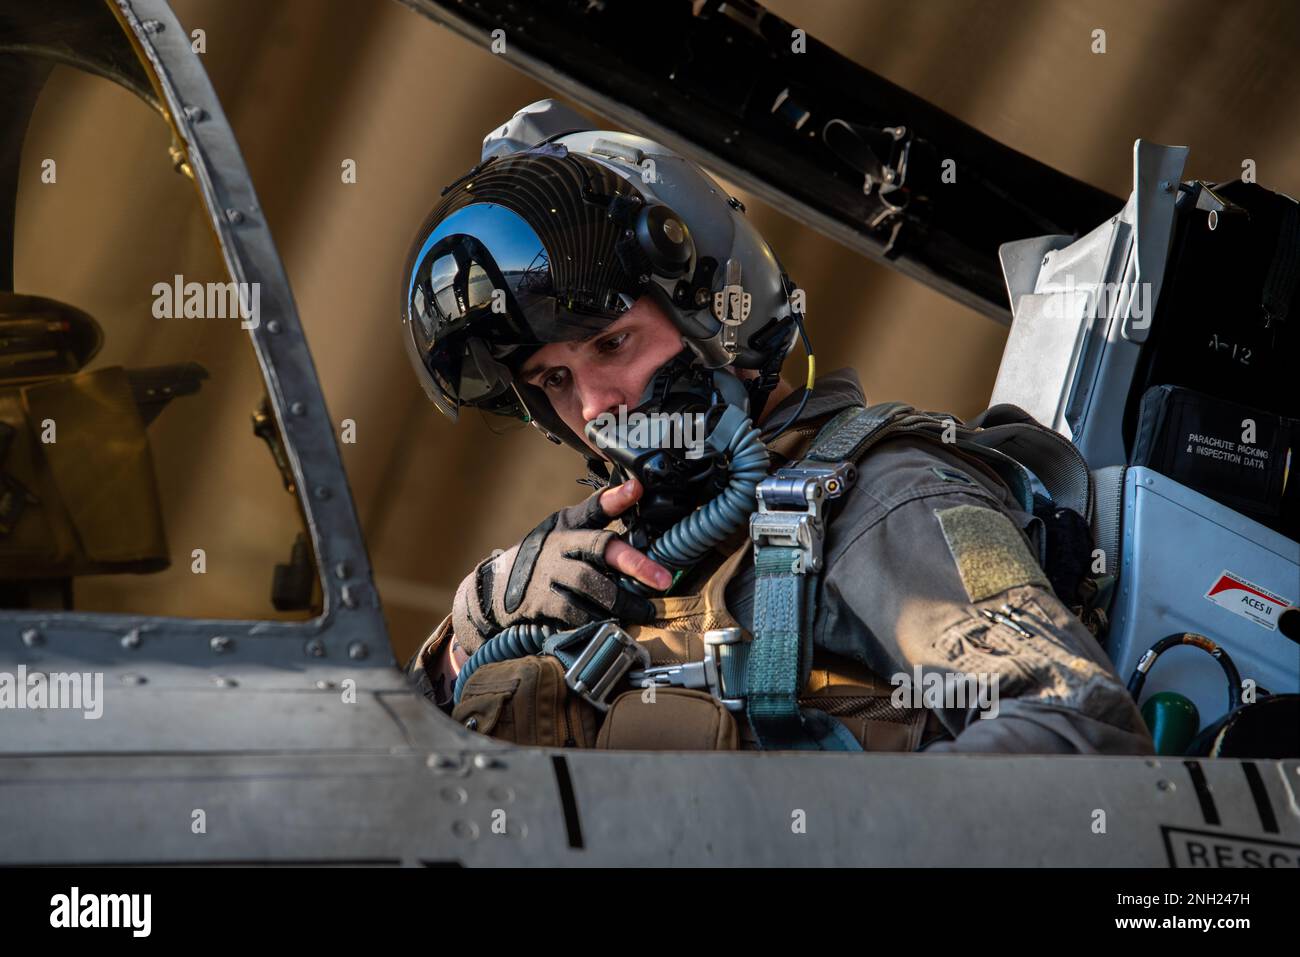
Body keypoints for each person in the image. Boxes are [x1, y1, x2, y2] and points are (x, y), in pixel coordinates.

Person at [400, 110, 1153, 754]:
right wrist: (474, 624)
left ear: (718, 308)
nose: (595, 406)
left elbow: (1073, 724)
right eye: (553, 380)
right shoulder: (603, 566)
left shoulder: (883, 502)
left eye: (611, 343)